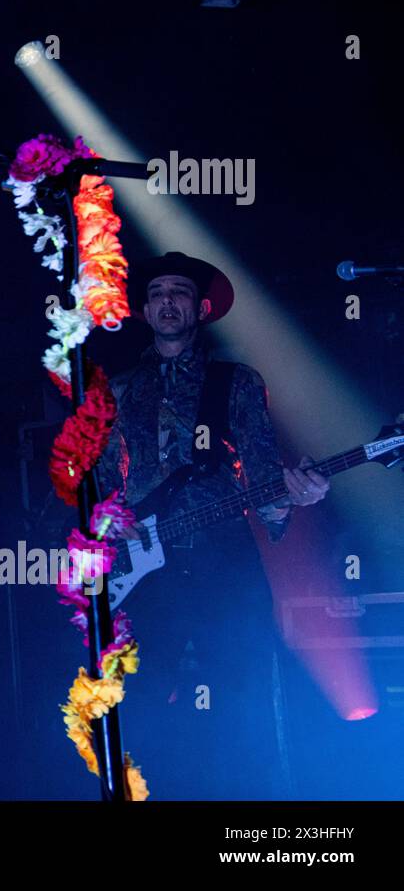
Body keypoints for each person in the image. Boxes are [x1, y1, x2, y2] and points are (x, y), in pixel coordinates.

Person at [97, 251, 329, 799]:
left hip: (223, 556)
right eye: (157, 294)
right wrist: (110, 520)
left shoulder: (237, 382)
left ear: (199, 308)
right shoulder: (120, 388)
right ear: (145, 309)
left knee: (243, 692)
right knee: (141, 707)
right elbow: (103, 476)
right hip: (145, 569)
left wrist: (295, 498)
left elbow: (264, 477)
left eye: (178, 292)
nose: (167, 302)